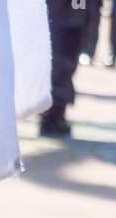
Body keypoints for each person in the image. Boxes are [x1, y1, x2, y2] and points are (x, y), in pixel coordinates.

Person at [42, 0, 86, 134]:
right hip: (67, 18)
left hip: (64, 15)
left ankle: (53, 113)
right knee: (61, 64)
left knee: (60, 64)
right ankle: (53, 116)